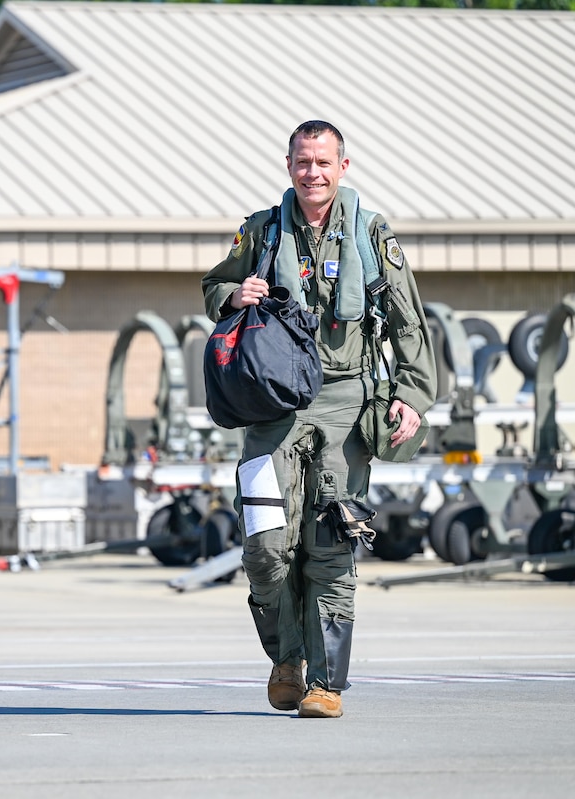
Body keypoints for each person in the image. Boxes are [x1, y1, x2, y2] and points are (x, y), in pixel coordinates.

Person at [201, 120, 436, 718]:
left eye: (324, 162)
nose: (314, 173)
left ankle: (326, 684)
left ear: (344, 166)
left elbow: (408, 319)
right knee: (265, 543)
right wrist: (236, 296)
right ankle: (286, 660)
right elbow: (212, 287)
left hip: (346, 406)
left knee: (331, 545)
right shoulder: (262, 229)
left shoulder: (372, 234)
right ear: (288, 166)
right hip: (271, 407)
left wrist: (411, 393)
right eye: (303, 162)